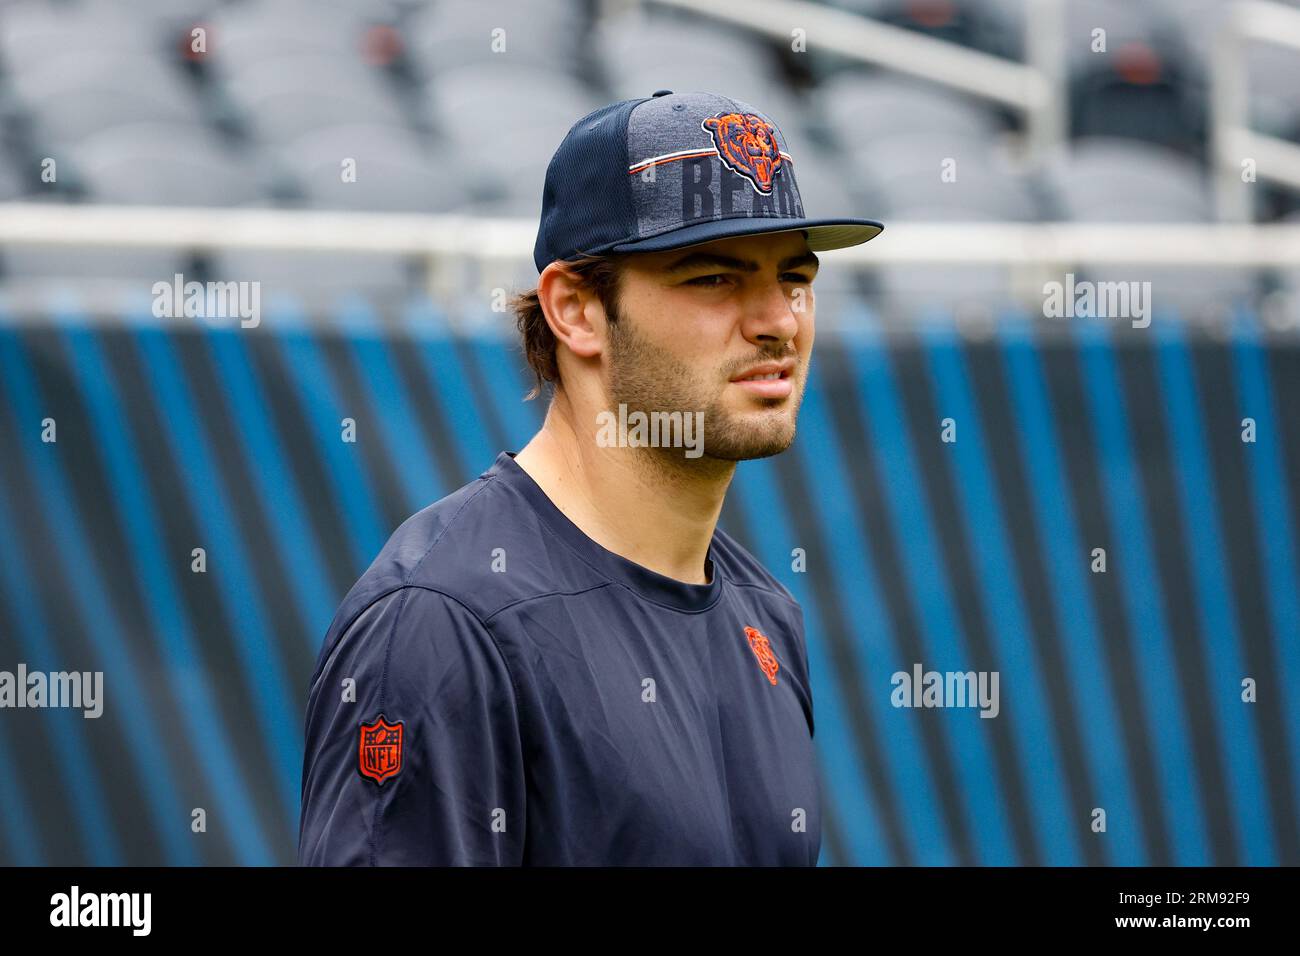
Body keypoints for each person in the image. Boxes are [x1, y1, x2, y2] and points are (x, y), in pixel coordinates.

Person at [298, 90, 883, 865]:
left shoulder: (764, 613)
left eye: (794, 277)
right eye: (714, 278)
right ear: (575, 310)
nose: (777, 319)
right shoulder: (443, 623)